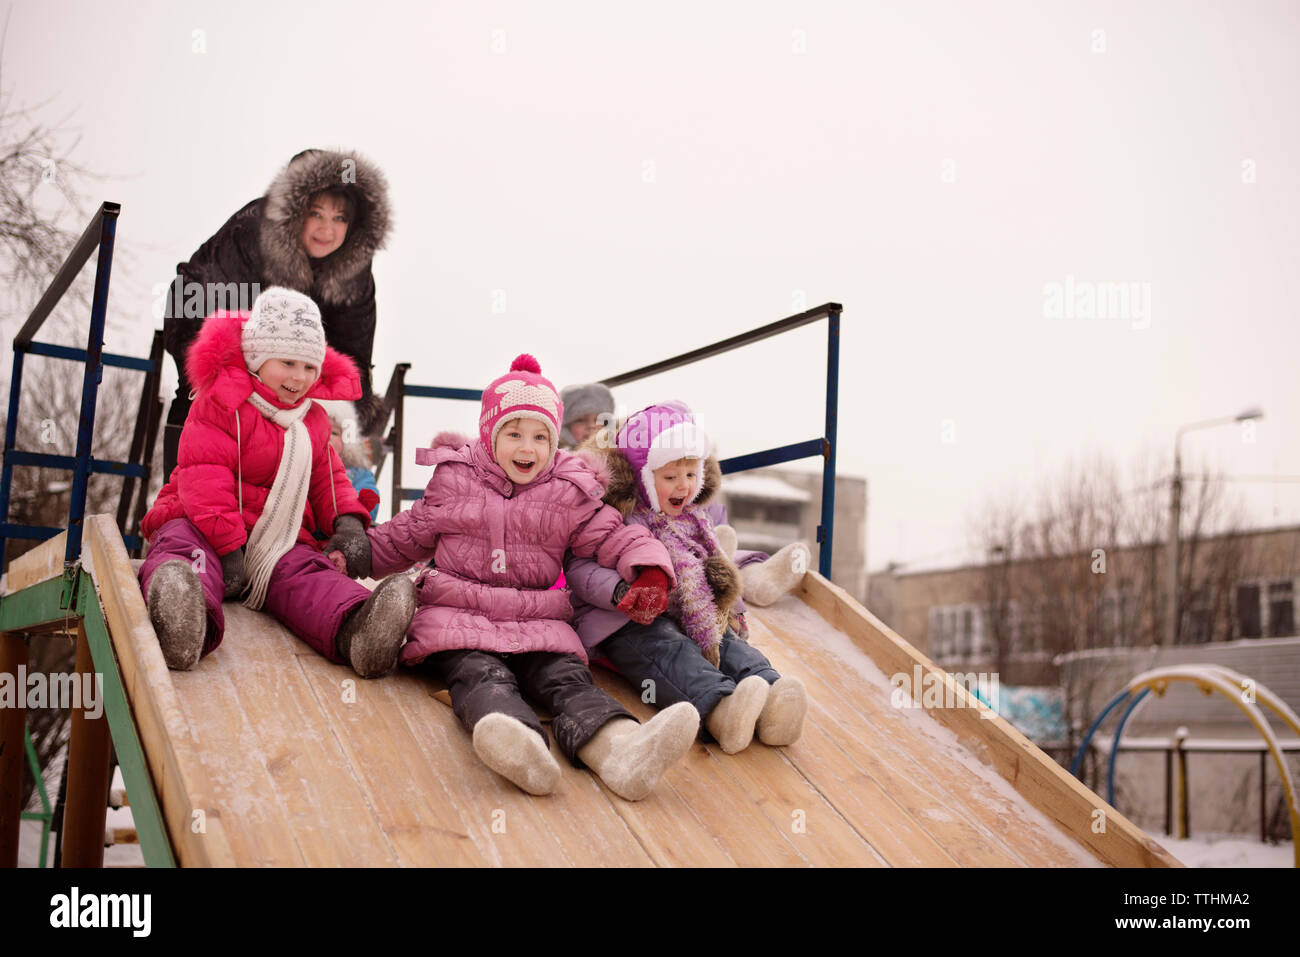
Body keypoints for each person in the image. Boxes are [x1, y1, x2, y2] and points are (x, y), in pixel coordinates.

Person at [355, 355, 699, 799]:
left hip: (540, 622)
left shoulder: (568, 492)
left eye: (540, 437)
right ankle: (520, 748)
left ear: (554, 442)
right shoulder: (454, 481)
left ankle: (622, 752)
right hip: (460, 619)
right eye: (514, 433)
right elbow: (403, 536)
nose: (527, 448)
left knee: (568, 681)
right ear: (490, 433)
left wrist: (649, 569)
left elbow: (612, 535)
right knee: (481, 678)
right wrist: (351, 555)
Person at [138, 288, 415, 677]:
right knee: (184, 544)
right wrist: (228, 545)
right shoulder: (222, 402)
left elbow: (327, 477)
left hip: (277, 537)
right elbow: (204, 474)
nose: (299, 377)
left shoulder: (312, 420)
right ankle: (184, 615)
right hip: (204, 521)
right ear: (256, 357)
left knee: (306, 571)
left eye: (309, 367)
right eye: (287, 362)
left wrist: (348, 521)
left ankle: (358, 627)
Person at [566, 401, 808, 753]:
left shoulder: (693, 522)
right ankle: (720, 710)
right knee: (669, 650)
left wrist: (731, 609)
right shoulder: (612, 516)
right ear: (643, 478)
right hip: (627, 620)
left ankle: (772, 697)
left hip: (687, 611)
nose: (683, 486)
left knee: (725, 640)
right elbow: (579, 569)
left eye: (691, 475)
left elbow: (714, 566)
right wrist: (620, 592)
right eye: (669, 477)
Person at [161, 148, 392, 480]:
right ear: (296, 210)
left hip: (287, 349)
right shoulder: (253, 233)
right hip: (201, 315)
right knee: (211, 397)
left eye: (340, 218)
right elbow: (218, 318)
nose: (327, 229)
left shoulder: (352, 266)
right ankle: (185, 487)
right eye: (317, 213)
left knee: (320, 416)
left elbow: (351, 350)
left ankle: (302, 509)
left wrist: (346, 411)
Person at [558, 382, 615, 449]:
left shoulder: (617, 452)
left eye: (598, 419)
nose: (591, 426)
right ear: (566, 427)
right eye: (580, 420)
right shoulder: (562, 457)